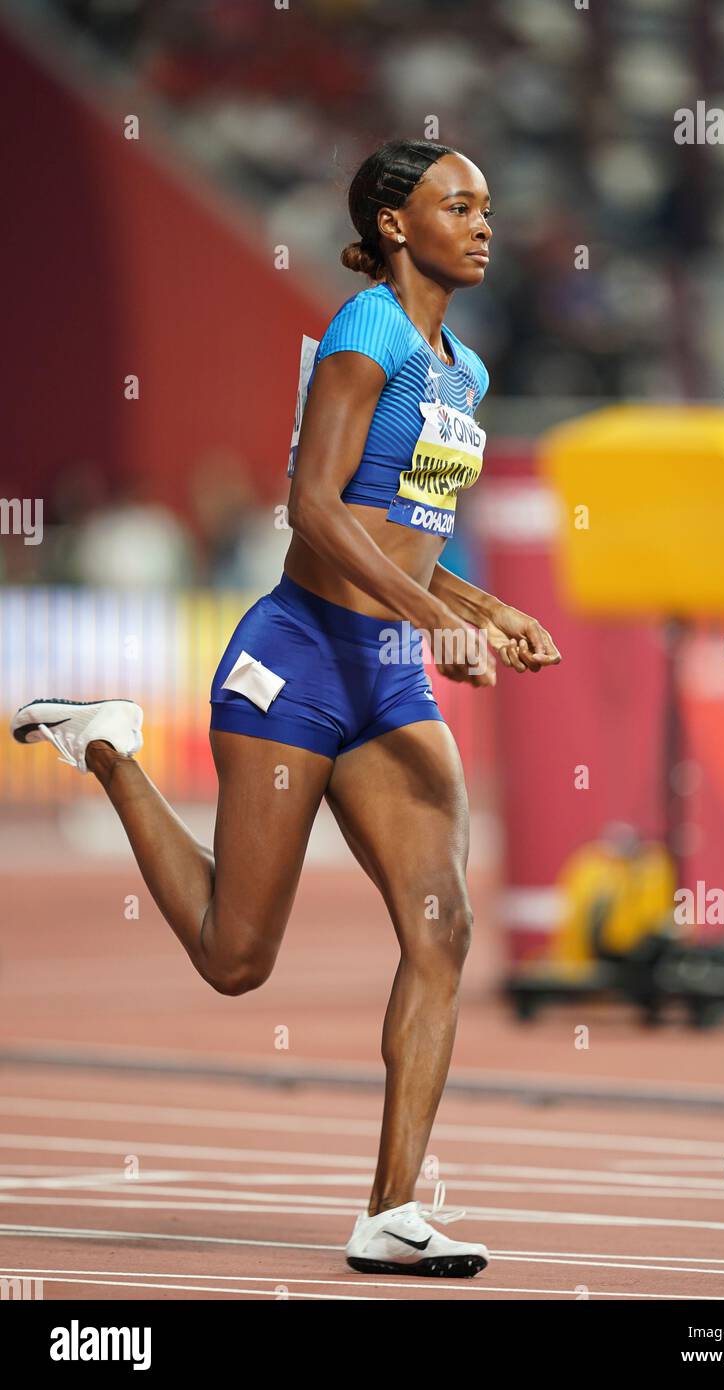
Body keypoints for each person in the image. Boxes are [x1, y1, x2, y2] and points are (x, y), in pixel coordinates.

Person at [11, 138, 561, 1278]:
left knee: (442, 927)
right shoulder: (368, 328)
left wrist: (478, 605)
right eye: (457, 204)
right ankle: (112, 748)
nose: (482, 222)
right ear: (396, 226)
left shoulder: (467, 372)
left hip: (388, 676)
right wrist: (433, 615)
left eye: (487, 205)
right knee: (235, 960)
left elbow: (406, 528)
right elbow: (312, 509)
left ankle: (390, 1211)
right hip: (298, 662)